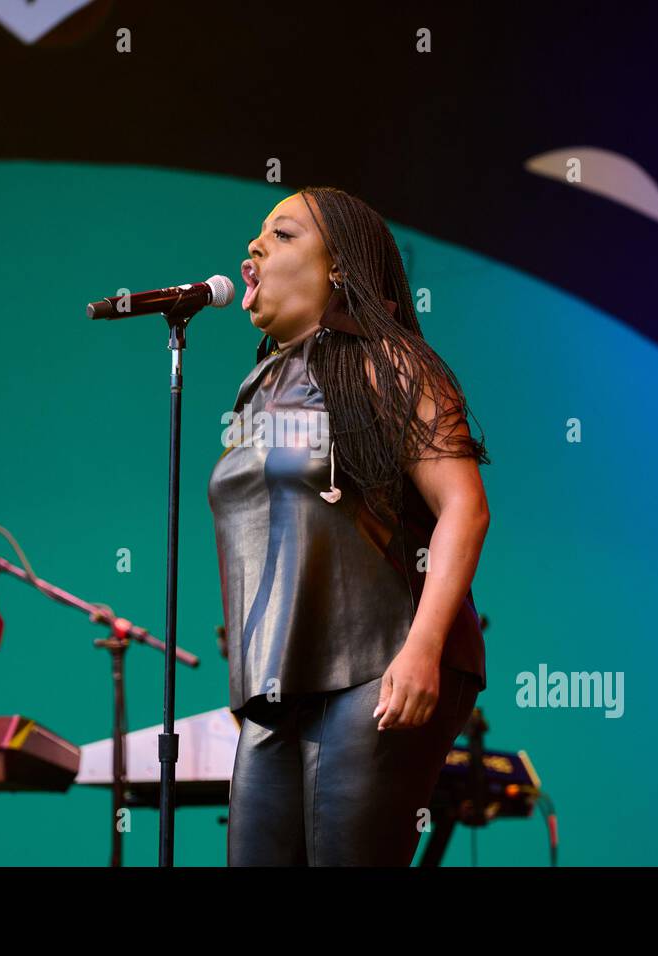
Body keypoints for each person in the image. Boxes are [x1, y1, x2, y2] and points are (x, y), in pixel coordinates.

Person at [208, 187, 491, 866]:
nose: (254, 247)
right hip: (280, 683)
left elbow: (464, 507)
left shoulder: (388, 363)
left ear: (338, 267)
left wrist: (422, 649)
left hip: (381, 661)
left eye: (281, 235)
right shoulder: (260, 388)